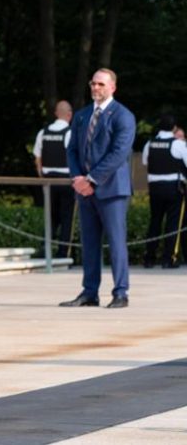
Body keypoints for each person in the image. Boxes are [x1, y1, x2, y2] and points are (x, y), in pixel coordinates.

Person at [61, 68, 135, 310]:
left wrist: (91, 180)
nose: (96, 88)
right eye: (93, 83)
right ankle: (90, 292)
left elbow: (118, 154)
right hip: (84, 191)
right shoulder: (82, 116)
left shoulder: (122, 116)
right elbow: (72, 150)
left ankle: (121, 292)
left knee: (116, 243)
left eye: (101, 84)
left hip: (112, 190)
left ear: (113, 87)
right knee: (89, 243)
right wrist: (77, 179)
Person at [141, 114, 187, 268]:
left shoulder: (150, 143)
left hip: (154, 188)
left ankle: (149, 258)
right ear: (174, 128)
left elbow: (145, 162)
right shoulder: (178, 144)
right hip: (174, 188)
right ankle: (169, 259)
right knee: (173, 224)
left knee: (155, 222)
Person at [33, 100, 76, 259]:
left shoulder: (43, 132)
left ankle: (46, 249)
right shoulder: (70, 133)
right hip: (66, 180)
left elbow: (38, 158)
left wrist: (42, 176)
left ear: (56, 114)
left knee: (50, 216)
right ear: (69, 115)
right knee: (67, 218)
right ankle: (63, 253)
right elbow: (74, 157)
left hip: (47, 181)